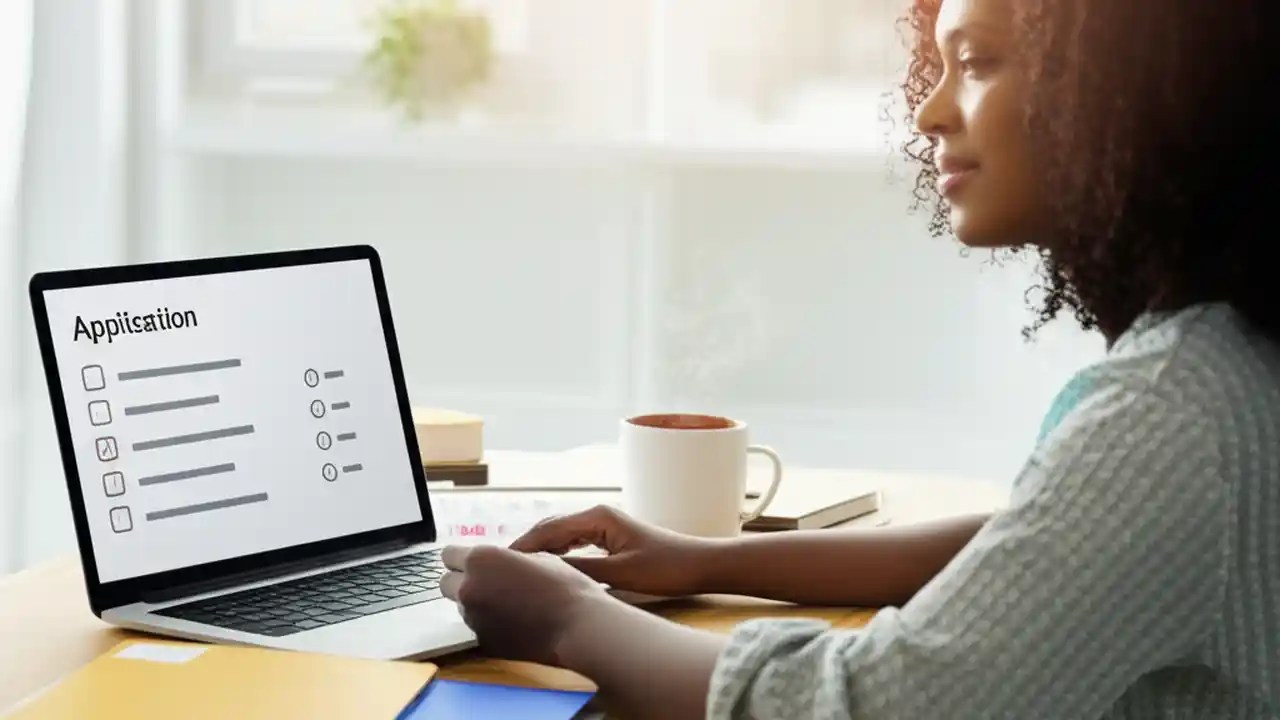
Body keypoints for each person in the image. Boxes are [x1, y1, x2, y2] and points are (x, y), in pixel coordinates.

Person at [438, 0, 1280, 716]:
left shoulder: (1166, 412)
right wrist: (704, 558)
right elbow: (1027, 546)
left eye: (977, 61)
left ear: (1121, 88)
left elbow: (879, 706)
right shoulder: (1229, 358)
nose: (929, 113)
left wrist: (570, 619)